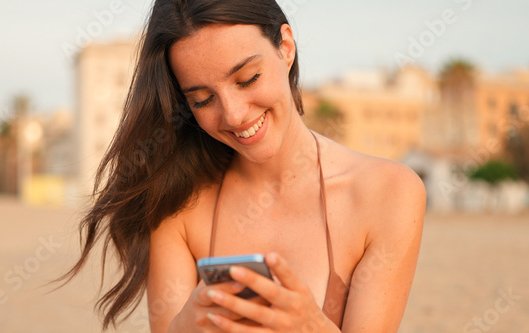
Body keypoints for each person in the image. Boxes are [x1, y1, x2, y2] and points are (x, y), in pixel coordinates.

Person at [53, 0, 426, 331]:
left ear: (286, 47)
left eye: (247, 79)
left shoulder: (389, 193)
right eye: (202, 100)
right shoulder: (179, 206)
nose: (232, 115)